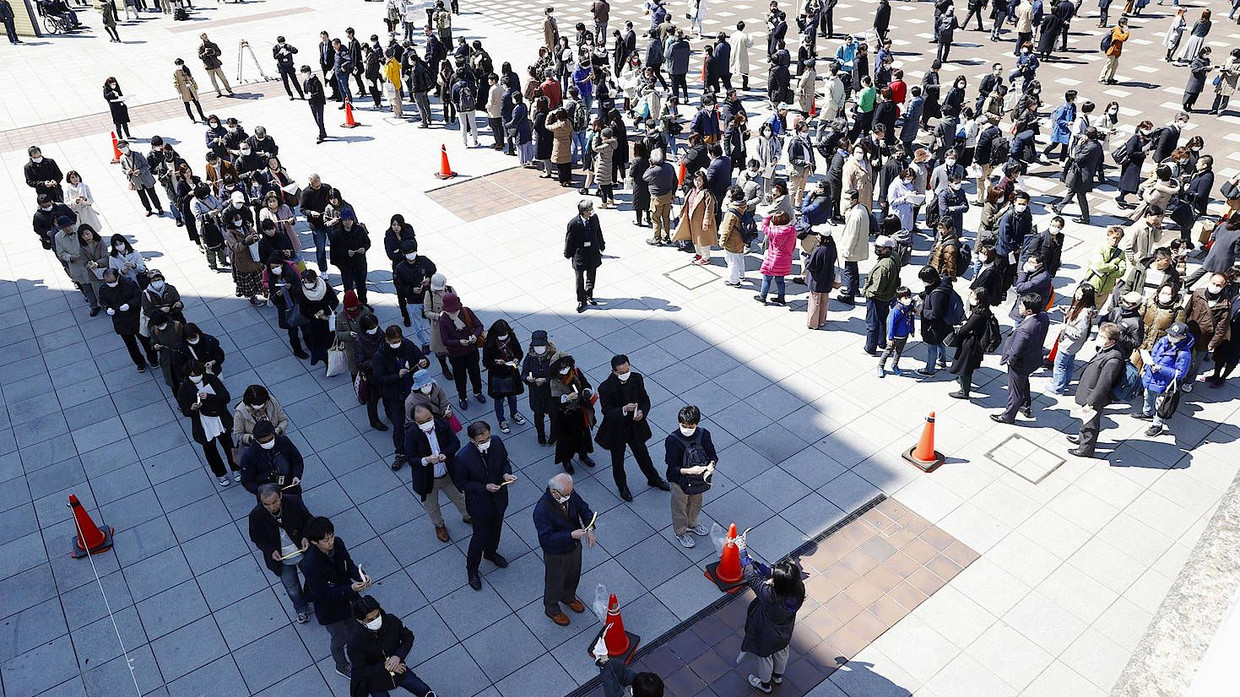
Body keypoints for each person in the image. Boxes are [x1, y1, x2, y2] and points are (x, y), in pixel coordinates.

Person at [301, 516, 372, 679]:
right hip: (331, 610)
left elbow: (349, 565)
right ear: (314, 542)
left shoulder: (338, 544)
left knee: (357, 628)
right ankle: (341, 665)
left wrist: (361, 576)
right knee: (340, 639)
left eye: (331, 536)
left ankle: (359, 655)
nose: (331, 541)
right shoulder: (309, 565)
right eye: (326, 540)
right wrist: (350, 589)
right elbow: (323, 594)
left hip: (349, 600)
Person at [595, 355, 670, 501]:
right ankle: (622, 487)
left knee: (643, 455)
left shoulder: (636, 378)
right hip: (617, 430)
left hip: (635, 427)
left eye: (627, 370)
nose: (625, 374)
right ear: (614, 371)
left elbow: (644, 399)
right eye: (622, 372)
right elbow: (606, 410)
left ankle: (654, 479)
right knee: (618, 461)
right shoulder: (605, 387)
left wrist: (642, 412)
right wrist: (623, 409)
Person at [453, 421, 516, 591]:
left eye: (487, 438)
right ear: (471, 439)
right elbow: (461, 482)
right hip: (479, 504)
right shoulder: (463, 457)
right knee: (479, 537)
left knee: (496, 530)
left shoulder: (496, 442)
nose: (486, 442)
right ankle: (472, 570)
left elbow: (504, 460)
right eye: (481, 441)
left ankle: (491, 552)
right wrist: (483, 487)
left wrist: (505, 473)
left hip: (499, 499)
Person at [737, 551, 805, 694]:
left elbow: (752, 578)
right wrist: (756, 564)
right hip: (784, 632)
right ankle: (778, 676)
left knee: (764, 658)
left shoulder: (770, 596)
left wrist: (744, 557)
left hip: (766, 634)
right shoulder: (798, 590)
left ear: (778, 584)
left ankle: (765, 684)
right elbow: (779, 576)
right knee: (781, 652)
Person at [533, 473, 596, 626]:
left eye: (571, 492)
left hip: (574, 546)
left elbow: (584, 509)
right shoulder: (541, 510)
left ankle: (568, 597)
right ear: (554, 492)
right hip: (556, 553)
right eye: (567, 494)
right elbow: (546, 539)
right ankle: (552, 608)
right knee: (555, 581)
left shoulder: (569, 493)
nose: (570, 495)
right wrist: (570, 535)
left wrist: (589, 528)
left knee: (574, 573)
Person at [346, 596, 435, 697]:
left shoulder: (391, 620)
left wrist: (398, 656)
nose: (376, 620)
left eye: (377, 615)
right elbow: (360, 670)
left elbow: (408, 637)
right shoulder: (355, 642)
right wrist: (388, 667)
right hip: (375, 680)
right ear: (360, 620)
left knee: (425, 691)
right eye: (370, 620)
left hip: (399, 667)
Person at [248, 485, 313, 625]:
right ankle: (301, 608)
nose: (272, 507)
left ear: (281, 496)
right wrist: (270, 550)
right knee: (292, 586)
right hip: (281, 558)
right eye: (266, 504)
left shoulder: (294, 502)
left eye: (275, 502)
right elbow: (257, 538)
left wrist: (305, 536)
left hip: (302, 549)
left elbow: (308, 520)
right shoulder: (256, 515)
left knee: (313, 577)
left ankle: (311, 597)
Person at [406, 404, 470, 543]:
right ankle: (439, 526)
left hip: (447, 473)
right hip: (427, 479)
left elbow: (455, 443)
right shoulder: (412, 434)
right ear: (415, 422)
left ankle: (467, 515)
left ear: (433, 415)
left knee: (459, 497)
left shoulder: (441, 425)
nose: (426, 423)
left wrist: (445, 454)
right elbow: (410, 458)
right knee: (432, 505)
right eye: (421, 422)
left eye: (428, 419)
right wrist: (425, 460)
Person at [1067, 322, 1128, 458]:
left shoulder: (1113, 359)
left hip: (1094, 395)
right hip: (1089, 390)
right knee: (1086, 420)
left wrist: (1091, 402)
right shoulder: (1107, 349)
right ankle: (1082, 439)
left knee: (1091, 423)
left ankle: (1085, 449)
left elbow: (1103, 384)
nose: (1099, 338)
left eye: (1102, 336)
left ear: (1111, 341)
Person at [176, 361, 239, 486]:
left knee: (229, 445)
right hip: (202, 423)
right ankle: (220, 473)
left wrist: (209, 397)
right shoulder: (184, 388)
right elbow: (185, 410)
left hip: (219, 419)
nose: (195, 377)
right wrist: (193, 408)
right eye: (192, 374)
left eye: (198, 374)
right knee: (210, 451)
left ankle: (236, 468)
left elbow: (225, 397)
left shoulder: (212, 379)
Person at [992, 294, 1050, 424]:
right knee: (1023, 383)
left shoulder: (1025, 329)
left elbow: (1016, 350)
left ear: (1029, 311)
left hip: (1020, 363)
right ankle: (1025, 406)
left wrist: (1009, 361)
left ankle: (1008, 416)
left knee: (1015, 392)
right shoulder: (1044, 317)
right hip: (1033, 359)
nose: (1019, 306)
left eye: (1022, 305)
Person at [665, 406, 716, 548]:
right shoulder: (672, 440)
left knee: (695, 503)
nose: (686, 428)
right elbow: (672, 466)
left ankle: (692, 524)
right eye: (683, 426)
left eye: (690, 426)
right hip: (679, 480)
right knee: (679, 507)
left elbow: (712, 453)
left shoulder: (704, 435)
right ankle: (680, 531)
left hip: (698, 479)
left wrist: (711, 465)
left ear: (697, 424)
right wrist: (690, 471)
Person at [1139, 321, 1193, 437]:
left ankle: (1157, 425)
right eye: (1170, 334)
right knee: (1147, 396)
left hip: (1164, 383)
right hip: (1152, 376)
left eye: (1175, 336)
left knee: (1161, 405)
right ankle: (1147, 413)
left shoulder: (1184, 353)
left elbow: (1179, 374)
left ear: (1183, 337)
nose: (1171, 337)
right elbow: (1154, 354)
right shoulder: (1163, 340)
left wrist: (1160, 369)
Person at [99, 268, 157, 372]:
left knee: (145, 341)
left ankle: (153, 359)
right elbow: (103, 300)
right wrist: (107, 308)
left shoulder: (129, 283)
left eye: (112, 281)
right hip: (120, 321)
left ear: (117, 277)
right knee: (131, 345)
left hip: (135, 318)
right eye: (107, 281)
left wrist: (129, 305)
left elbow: (139, 297)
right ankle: (139, 363)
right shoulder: (103, 289)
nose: (110, 283)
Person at [437, 292, 487, 408]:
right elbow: (445, 340)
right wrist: (459, 342)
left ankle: (477, 392)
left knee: (475, 373)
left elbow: (479, 325)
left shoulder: (466, 311)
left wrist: (475, 335)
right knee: (460, 377)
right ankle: (462, 397)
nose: (454, 312)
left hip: (471, 350)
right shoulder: (443, 319)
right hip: (456, 355)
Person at [549, 352, 596, 474]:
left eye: (567, 366)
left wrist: (586, 391)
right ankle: (566, 460)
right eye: (562, 367)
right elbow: (555, 401)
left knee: (582, 434)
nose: (565, 369)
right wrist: (567, 398)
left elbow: (586, 384)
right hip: (565, 414)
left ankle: (583, 454)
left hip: (579, 410)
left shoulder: (575, 371)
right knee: (565, 440)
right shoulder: (554, 380)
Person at [1050, 285, 1098, 395]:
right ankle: (1064, 382)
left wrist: (1065, 328)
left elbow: (1078, 333)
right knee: (1069, 363)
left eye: (1081, 294)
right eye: (1077, 292)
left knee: (1060, 365)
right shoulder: (1087, 309)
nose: (1077, 296)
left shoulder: (1083, 314)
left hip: (1069, 343)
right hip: (1074, 345)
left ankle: (1057, 388)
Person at [482, 320, 527, 432]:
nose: (504, 337)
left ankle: (514, 413)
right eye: (501, 335)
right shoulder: (489, 344)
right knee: (499, 400)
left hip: (512, 372)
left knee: (513, 396)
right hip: (498, 375)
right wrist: (496, 362)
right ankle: (501, 420)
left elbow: (519, 352)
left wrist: (517, 359)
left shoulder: (511, 337)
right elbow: (486, 362)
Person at [55, 222, 107, 317]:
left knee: (99, 287)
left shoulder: (80, 230)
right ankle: (94, 306)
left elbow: (104, 255)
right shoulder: (58, 237)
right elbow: (60, 253)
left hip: (94, 267)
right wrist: (70, 257)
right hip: (78, 266)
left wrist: (95, 263)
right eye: (64, 227)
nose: (68, 228)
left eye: (69, 226)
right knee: (87, 287)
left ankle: (105, 305)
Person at [564, 199, 606, 313]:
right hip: (580, 254)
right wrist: (567, 253)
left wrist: (601, 245)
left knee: (591, 275)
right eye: (589, 210)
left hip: (592, 252)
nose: (592, 211)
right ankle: (581, 300)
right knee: (579, 278)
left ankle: (589, 294)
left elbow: (598, 232)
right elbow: (569, 240)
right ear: (583, 211)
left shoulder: (594, 218)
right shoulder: (573, 223)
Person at [862, 236, 902, 355]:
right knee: (882, 320)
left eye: (880, 247)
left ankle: (870, 347)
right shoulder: (894, 256)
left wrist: (868, 291)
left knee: (872, 323)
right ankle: (881, 342)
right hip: (889, 295)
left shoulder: (883, 266)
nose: (877, 249)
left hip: (877, 298)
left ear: (887, 249)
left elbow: (877, 288)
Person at [675, 171, 719, 265]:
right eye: (695, 180)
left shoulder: (706, 193)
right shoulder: (692, 190)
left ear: (704, 181)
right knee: (695, 238)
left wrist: (706, 221)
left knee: (703, 239)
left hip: (701, 220)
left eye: (699, 180)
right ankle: (698, 254)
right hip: (691, 218)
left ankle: (705, 257)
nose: (697, 182)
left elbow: (709, 208)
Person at [298, 268, 340, 365]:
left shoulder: (324, 287)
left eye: (310, 282)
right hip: (315, 323)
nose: (307, 284)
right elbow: (303, 310)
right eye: (305, 282)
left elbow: (335, 301)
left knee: (331, 342)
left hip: (328, 320)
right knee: (320, 345)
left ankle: (333, 362)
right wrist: (316, 315)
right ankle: (327, 363)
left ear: (316, 280)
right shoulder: (302, 291)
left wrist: (325, 311)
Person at [754, 209, 796, 306]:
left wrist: (769, 216)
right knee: (780, 280)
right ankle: (781, 298)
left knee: (766, 279)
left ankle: (762, 297)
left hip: (773, 260)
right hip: (786, 260)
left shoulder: (774, 231)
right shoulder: (792, 230)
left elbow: (763, 226)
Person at [117, 140, 164, 217]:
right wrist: (127, 172)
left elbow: (147, 165)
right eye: (120, 147)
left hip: (145, 178)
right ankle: (148, 209)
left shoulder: (137, 155)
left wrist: (140, 171)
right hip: (136, 181)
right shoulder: (122, 158)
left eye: (123, 146)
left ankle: (159, 208)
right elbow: (123, 169)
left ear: (127, 145)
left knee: (152, 194)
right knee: (142, 197)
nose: (122, 148)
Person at [878, 287, 915, 378]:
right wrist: (890, 337)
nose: (908, 299)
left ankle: (894, 365)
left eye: (909, 297)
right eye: (905, 297)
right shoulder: (896, 311)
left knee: (899, 352)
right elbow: (891, 324)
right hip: (895, 337)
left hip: (904, 335)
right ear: (899, 299)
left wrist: (912, 330)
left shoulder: (909, 307)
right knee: (888, 352)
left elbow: (911, 319)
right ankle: (881, 366)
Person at [804, 230, 838, 330]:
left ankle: (813, 323)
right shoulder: (832, 246)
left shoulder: (820, 250)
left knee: (815, 301)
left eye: (819, 235)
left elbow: (812, 266)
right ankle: (822, 321)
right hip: (827, 277)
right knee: (824, 300)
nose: (817, 236)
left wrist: (806, 260)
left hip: (817, 279)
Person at [301, 65, 330, 143]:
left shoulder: (315, 81)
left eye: (305, 72)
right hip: (311, 103)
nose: (304, 74)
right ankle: (323, 132)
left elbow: (320, 92)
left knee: (319, 119)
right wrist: (306, 95)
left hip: (318, 102)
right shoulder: (305, 82)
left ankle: (321, 134)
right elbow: (305, 91)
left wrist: (312, 95)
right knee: (316, 119)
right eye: (302, 73)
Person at [1099, 18, 1129, 85]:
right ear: (1121, 24)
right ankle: (1101, 78)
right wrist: (1126, 32)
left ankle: (1110, 78)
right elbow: (1123, 38)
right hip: (1112, 50)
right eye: (1125, 23)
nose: (1126, 25)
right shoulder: (1117, 31)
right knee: (1109, 64)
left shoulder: (1120, 30)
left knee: (1115, 65)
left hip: (1116, 51)